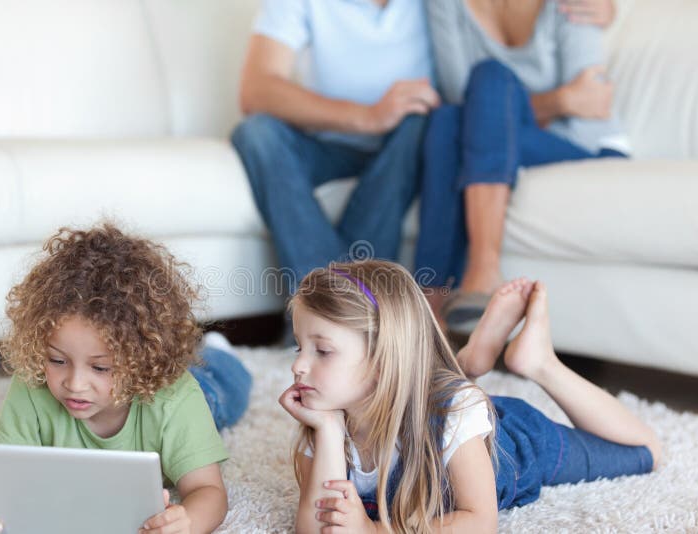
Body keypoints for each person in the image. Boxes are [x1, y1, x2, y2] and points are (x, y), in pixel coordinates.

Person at [280, 260, 659, 532]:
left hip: (516, 441)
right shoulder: (326, 417)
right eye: (299, 347)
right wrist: (328, 432)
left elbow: (480, 520)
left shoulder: (455, 414)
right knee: (442, 396)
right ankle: (466, 364)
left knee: (646, 453)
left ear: (385, 359)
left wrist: (374, 531)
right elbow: (314, 529)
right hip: (426, 401)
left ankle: (540, 362)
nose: (299, 366)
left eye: (322, 351)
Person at [0, 223, 252, 534]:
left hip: (197, 391)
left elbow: (209, 491)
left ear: (141, 360)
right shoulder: (33, 385)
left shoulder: (177, 397)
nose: (75, 383)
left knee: (220, 385)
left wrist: (189, 522)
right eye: (58, 360)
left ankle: (219, 351)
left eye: (101, 367)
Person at [415, 0, 625, 333]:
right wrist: (559, 100)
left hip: (582, 146)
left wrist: (497, 109)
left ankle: (476, 272)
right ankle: (429, 315)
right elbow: (460, 95)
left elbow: (589, 99)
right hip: (489, 137)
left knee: (488, 78)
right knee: (448, 117)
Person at [231, 0, 440, 297]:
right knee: (257, 134)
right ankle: (339, 307)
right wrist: (369, 116)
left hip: (403, 145)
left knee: (422, 123)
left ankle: (335, 311)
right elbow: (256, 89)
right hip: (324, 145)